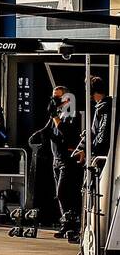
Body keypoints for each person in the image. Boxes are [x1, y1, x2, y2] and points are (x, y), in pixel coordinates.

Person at [30, 85, 82, 239]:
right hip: (56, 159)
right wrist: (37, 135)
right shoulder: (56, 113)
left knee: (64, 192)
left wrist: (54, 116)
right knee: (59, 195)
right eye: (53, 97)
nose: (54, 100)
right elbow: (48, 128)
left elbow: (66, 131)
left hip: (68, 159)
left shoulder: (70, 113)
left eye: (58, 97)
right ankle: (65, 223)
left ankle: (74, 223)